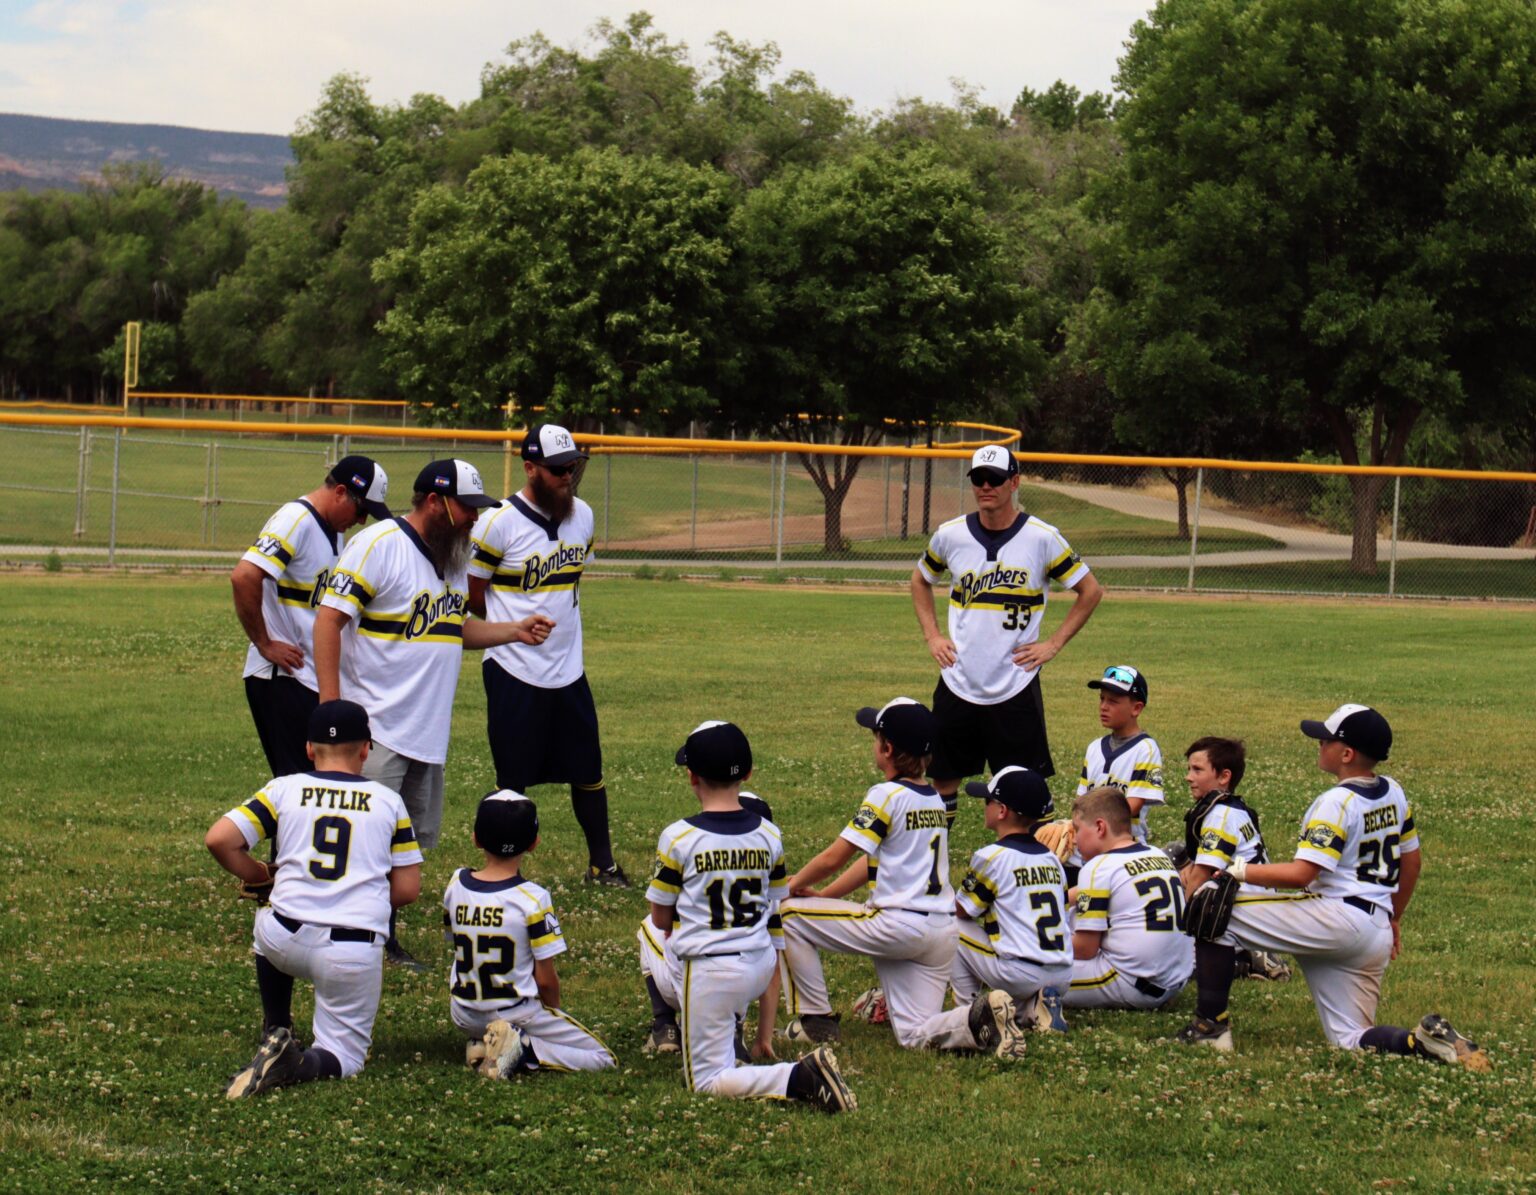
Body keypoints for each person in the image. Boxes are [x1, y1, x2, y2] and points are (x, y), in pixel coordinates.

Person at [313, 458, 554, 969]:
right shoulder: (378, 545)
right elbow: (329, 621)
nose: (473, 518)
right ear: (433, 502)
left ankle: (380, 936)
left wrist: (514, 630)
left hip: (425, 730)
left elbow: (452, 627)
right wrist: (332, 710)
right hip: (377, 727)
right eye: (466, 508)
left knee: (403, 848)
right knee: (368, 842)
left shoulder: (451, 557)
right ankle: (351, 935)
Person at [1177, 705, 1488, 1068]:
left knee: (1211, 902)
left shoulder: (1336, 803)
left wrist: (1239, 871)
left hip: (1335, 919)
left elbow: (1301, 875)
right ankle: (1420, 1042)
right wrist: (1395, 917)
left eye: (1326, 739)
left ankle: (1208, 1028)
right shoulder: (1393, 792)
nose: (1319, 743)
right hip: (1373, 932)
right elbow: (1412, 861)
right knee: (1349, 1039)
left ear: (1346, 753)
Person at [205, 700, 422, 1097]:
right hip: (350, 952)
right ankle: (295, 1061)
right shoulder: (388, 801)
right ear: (365, 749)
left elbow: (219, 839)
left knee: (268, 924)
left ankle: (276, 1025)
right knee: (344, 1057)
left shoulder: (285, 788)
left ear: (309, 749)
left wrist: (258, 875)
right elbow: (408, 889)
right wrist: (364, 896)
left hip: (283, 939)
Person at [642, 720, 856, 1111]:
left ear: (692, 777)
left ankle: (799, 1076)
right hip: (758, 964)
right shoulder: (768, 834)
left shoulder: (679, 836)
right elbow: (773, 904)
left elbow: (659, 918)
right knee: (723, 1014)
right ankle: (734, 1030)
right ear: (749, 774)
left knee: (705, 1082)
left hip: (711, 969)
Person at [467, 423, 625, 886]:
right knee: (512, 778)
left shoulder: (584, 516)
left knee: (588, 769)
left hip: (568, 667)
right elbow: (475, 593)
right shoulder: (497, 521)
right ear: (530, 467)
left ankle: (603, 864)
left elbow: (572, 580)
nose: (566, 476)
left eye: (573, 467)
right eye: (557, 469)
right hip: (513, 667)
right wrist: (510, 626)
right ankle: (501, 873)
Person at [911, 444, 1103, 822]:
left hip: (1014, 682)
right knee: (943, 779)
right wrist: (933, 636)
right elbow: (920, 580)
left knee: (1023, 785)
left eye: (995, 479)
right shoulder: (950, 535)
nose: (986, 486)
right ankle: (935, 868)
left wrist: (1053, 644)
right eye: (978, 479)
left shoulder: (1042, 537)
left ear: (1013, 482)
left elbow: (1090, 590)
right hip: (958, 679)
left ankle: (1027, 870)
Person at [778, 699, 957, 1051]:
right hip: (941, 933)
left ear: (887, 748)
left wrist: (788, 887)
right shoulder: (934, 799)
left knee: (787, 915)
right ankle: (979, 1019)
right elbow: (872, 862)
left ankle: (816, 1021)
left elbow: (835, 857)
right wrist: (826, 897)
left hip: (897, 926)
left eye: (876, 739)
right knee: (915, 1036)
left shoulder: (886, 794)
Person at [232, 455, 390, 777]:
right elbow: (244, 576)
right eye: (362, 510)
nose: (362, 521)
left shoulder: (333, 531)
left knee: (318, 782)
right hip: (283, 677)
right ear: (341, 492)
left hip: (304, 678)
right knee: (301, 786)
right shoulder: (296, 520)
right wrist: (264, 643)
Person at [445, 790, 616, 1078]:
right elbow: (546, 980)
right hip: (516, 1011)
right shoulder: (533, 898)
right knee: (603, 1058)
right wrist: (554, 1015)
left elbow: (452, 943)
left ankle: (480, 1042)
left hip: (464, 1013)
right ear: (534, 843)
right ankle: (520, 1049)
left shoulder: (456, 883)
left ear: (475, 838)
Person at [946, 766, 1074, 1045]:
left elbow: (961, 910)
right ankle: (1034, 1009)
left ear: (1001, 811)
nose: (985, 807)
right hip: (1062, 974)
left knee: (949, 925)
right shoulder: (1052, 859)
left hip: (1018, 972)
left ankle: (971, 1012)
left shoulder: (992, 856)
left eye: (987, 801)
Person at [1063, 786, 1193, 1010]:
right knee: (1073, 915)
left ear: (1100, 827)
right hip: (1172, 980)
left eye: (1077, 829)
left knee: (1027, 974)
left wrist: (1036, 948)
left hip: (1130, 982)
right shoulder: (1157, 854)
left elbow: (1085, 949)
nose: (1074, 840)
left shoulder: (1098, 868)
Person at [1176, 736, 1290, 983]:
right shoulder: (1232, 807)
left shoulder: (1220, 814)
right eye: (1189, 769)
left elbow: (1201, 876)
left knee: (1180, 963)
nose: (1188, 777)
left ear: (1224, 776)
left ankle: (1245, 959)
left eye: (1197, 770)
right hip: (1258, 899)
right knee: (1174, 854)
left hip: (1247, 906)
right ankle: (1249, 950)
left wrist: (1180, 929)